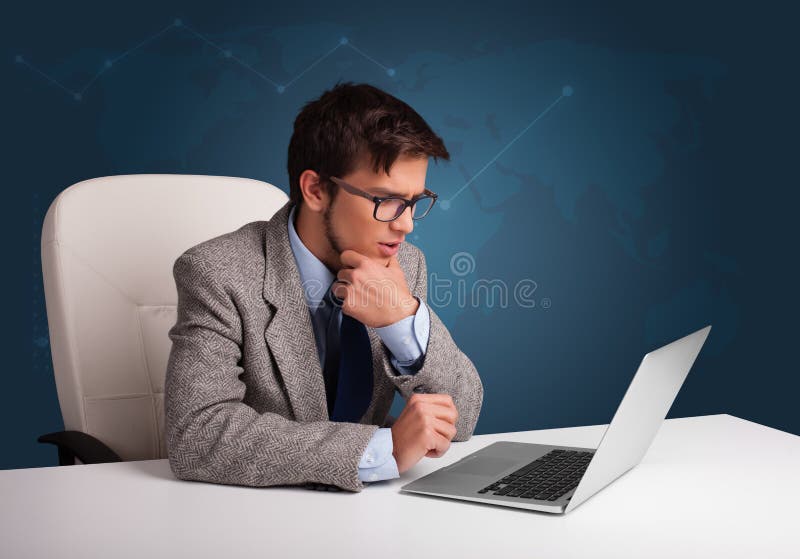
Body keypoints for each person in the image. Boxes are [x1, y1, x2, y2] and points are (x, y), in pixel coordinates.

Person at [165, 81, 483, 492]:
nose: (405, 224)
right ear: (315, 190)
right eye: (385, 200)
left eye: (414, 202)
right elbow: (196, 435)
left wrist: (402, 320)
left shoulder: (403, 263)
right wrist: (381, 449)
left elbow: (463, 417)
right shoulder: (216, 272)